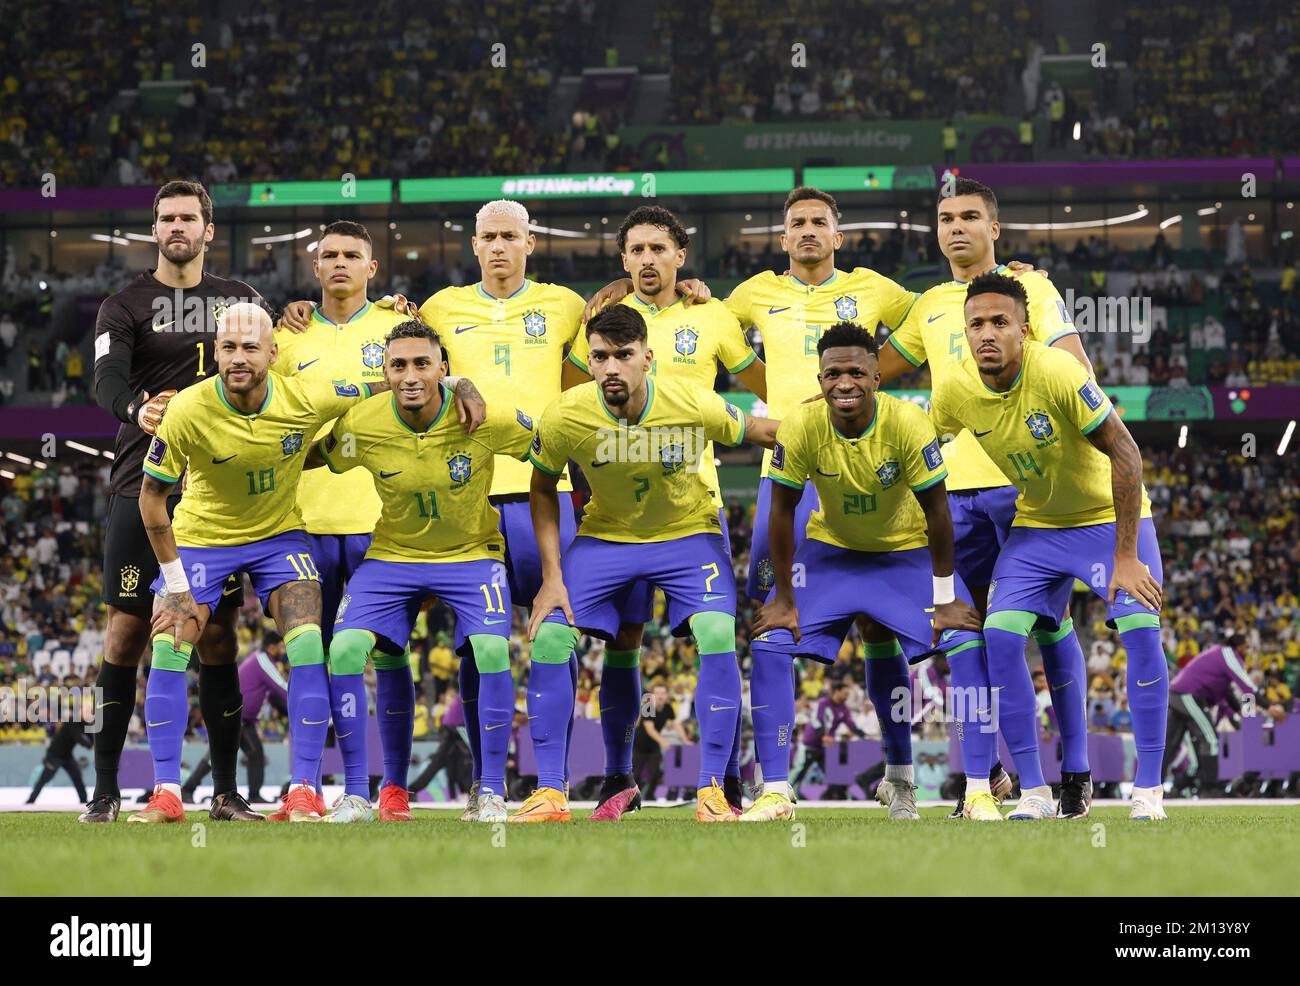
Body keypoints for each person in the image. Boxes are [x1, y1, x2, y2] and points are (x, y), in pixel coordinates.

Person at [876, 176, 1094, 819]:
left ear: (994, 228)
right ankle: (983, 783)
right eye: (946, 218)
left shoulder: (1033, 290)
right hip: (950, 496)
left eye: (970, 216)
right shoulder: (929, 306)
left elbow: (1075, 371)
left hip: (1025, 492)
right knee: (961, 638)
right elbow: (874, 369)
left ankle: (1075, 773)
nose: (957, 227)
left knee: (1047, 630)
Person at [522, 304, 779, 823]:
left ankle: (711, 791)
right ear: (588, 361)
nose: (612, 367)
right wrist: (552, 577)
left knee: (715, 631)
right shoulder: (566, 414)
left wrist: (842, 424)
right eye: (600, 357)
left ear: (648, 358)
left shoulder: (691, 402)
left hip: (687, 535)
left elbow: (763, 431)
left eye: (624, 355)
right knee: (550, 635)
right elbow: (542, 487)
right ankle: (550, 793)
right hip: (605, 538)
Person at [929, 272, 1169, 821]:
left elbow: (1127, 452)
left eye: (1000, 323)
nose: (987, 334)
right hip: (1036, 527)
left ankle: (1149, 791)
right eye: (976, 325)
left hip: (1107, 522)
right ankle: (1034, 792)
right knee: (999, 633)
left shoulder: (1057, 370)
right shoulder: (954, 389)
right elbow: (926, 442)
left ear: (1025, 328)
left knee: (1140, 628)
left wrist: (1126, 557)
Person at [130, 302, 379, 824]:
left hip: (278, 536)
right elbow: (151, 499)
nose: (238, 358)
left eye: (249, 348)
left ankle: (304, 793)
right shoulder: (189, 409)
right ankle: (167, 795)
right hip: (202, 536)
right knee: (171, 642)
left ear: (273, 351)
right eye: (227, 348)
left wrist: (459, 384)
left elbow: (387, 385)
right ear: (214, 353)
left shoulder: (308, 395)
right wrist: (175, 583)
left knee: (309, 641)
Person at [273, 220, 485, 822]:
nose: (339, 263)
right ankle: (308, 788)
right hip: (302, 515)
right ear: (314, 267)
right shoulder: (288, 338)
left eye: (353, 255)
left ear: (373, 268)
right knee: (310, 653)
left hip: (378, 520)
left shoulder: (398, 327)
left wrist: (465, 379)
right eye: (329, 255)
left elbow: (448, 374)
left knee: (391, 653)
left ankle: (393, 788)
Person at [566, 204, 767, 819]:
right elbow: (567, 400)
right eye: (637, 250)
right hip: (613, 510)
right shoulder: (599, 319)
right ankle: (619, 778)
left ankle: (723, 781)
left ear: (682, 254)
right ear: (623, 259)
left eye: (660, 248)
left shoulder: (712, 314)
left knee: (712, 637)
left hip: (691, 508)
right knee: (622, 641)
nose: (648, 259)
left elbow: (766, 387)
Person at [749, 322, 989, 821]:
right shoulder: (800, 425)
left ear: (877, 377)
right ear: (819, 379)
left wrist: (945, 595)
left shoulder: (907, 424)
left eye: (857, 371)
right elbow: (779, 511)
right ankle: (774, 791)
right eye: (832, 373)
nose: (844, 383)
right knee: (770, 640)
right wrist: (783, 598)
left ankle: (977, 790)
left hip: (903, 554)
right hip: (831, 554)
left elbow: (939, 514)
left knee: (965, 638)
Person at [304, 320, 534, 823]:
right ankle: (359, 795)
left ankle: (491, 791)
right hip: (393, 555)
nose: (410, 376)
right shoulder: (363, 424)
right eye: (398, 365)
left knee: (494, 648)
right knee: (343, 648)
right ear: (384, 373)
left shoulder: (482, 417)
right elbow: (312, 458)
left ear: (443, 370)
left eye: (422, 364)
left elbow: (548, 448)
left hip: (472, 552)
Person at [84, 179, 262, 824]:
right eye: (166, 219)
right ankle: (104, 791)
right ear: (154, 229)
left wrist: (294, 317)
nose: (177, 227)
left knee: (216, 637)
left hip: (216, 497)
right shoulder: (124, 303)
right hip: (142, 489)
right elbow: (104, 377)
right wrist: (138, 407)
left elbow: (280, 362)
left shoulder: (240, 302)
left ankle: (223, 792)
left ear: (208, 231)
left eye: (188, 218)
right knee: (127, 632)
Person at [1163, 638, 1287, 796]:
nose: (1247, 652)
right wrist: (1269, 706)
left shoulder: (1217, 654)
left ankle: (1153, 787)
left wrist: (1237, 711)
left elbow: (1226, 692)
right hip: (1186, 694)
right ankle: (1210, 788)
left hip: (1179, 694)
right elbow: (1246, 685)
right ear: (1238, 646)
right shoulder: (1227, 653)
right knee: (1211, 740)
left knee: (1169, 744)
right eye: (1246, 647)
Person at [180, 633, 288, 804]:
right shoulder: (263, 660)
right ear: (272, 647)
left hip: (243, 717)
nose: (284, 651)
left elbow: (272, 695)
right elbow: (282, 688)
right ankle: (188, 789)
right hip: (238, 716)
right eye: (282, 647)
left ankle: (188, 789)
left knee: (234, 753)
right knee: (244, 753)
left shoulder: (264, 660)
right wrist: (301, 702)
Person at [788, 680, 864, 800]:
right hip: (810, 745)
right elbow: (817, 720)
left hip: (824, 748)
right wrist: (823, 735)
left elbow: (851, 724)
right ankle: (784, 793)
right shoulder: (823, 703)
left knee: (831, 773)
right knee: (800, 771)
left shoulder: (843, 709)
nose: (846, 696)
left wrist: (863, 735)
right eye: (844, 693)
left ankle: (835, 797)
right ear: (837, 692)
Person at [26, 699, 93, 804]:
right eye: (87, 711)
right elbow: (78, 738)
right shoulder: (72, 721)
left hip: (67, 756)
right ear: (81, 711)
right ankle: (30, 801)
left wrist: (93, 743)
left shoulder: (82, 723)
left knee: (77, 777)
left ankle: (84, 801)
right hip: (55, 755)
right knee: (44, 779)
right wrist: (90, 745)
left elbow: (89, 734)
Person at [632, 680, 690, 800]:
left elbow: (676, 725)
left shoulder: (668, 707)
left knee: (656, 772)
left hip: (653, 745)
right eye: (657, 693)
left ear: (667, 695)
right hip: (640, 743)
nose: (660, 696)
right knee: (636, 773)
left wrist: (685, 740)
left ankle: (649, 797)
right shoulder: (648, 706)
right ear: (653, 695)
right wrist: (662, 741)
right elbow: (649, 728)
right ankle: (631, 797)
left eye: (663, 693)